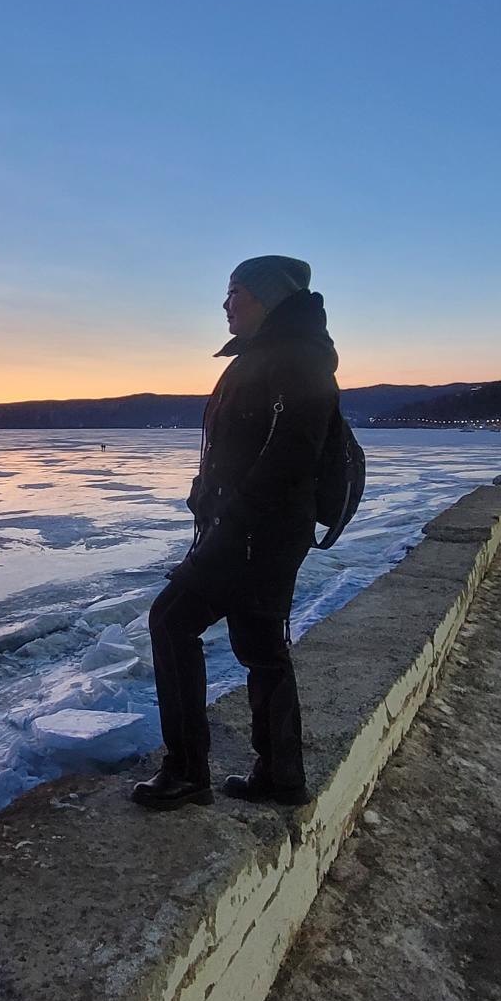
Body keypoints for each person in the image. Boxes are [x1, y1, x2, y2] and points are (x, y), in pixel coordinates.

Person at [131, 256, 339, 811]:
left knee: (171, 621)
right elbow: (243, 445)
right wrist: (205, 490)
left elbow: (290, 455)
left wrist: (232, 519)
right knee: (262, 646)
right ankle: (280, 775)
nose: (226, 305)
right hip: (260, 531)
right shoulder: (280, 354)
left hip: (253, 534)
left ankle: (185, 770)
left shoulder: (293, 359)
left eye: (236, 292)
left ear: (267, 299)